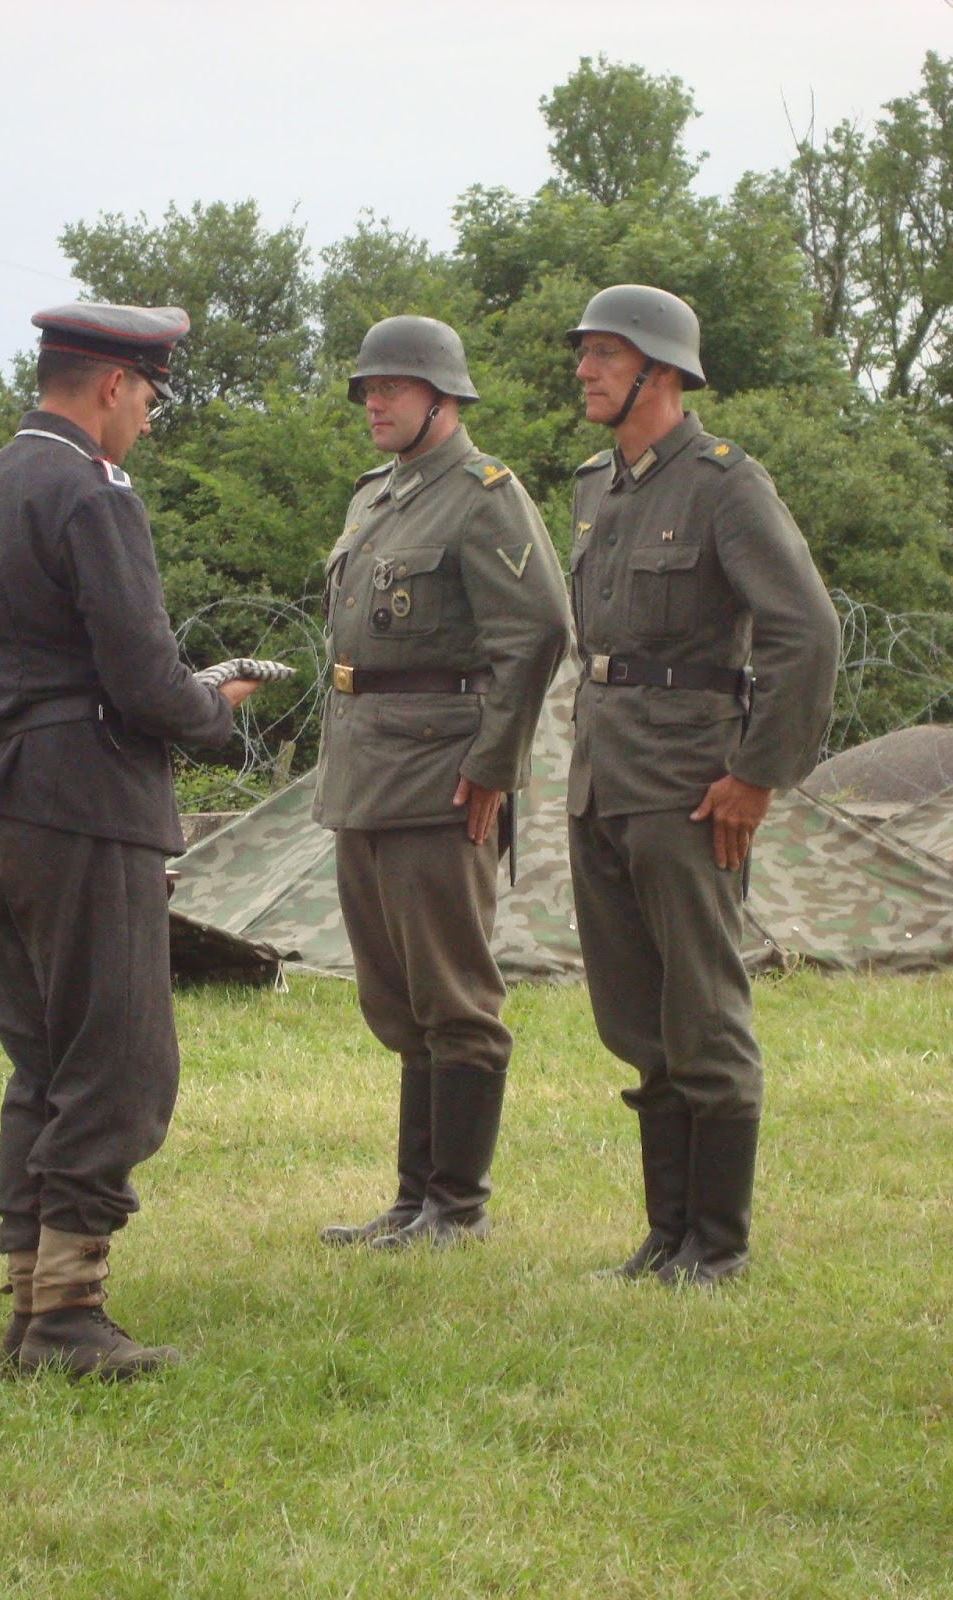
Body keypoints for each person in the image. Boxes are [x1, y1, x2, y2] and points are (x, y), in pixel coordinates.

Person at [0, 303, 260, 1380]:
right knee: (117, 1065)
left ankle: (31, 1308)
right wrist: (223, 710)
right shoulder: (90, 491)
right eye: (151, 400)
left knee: (42, 1063)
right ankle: (68, 1317)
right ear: (112, 384)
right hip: (82, 811)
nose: (148, 424)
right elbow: (143, 678)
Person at [564, 284, 841, 1286]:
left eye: (605, 354)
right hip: (603, 779)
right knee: (636, 1014)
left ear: (662, 371)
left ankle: (716, 1247)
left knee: (704, 1012)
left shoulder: (726, 484)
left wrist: (758, 774)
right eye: (585, 354)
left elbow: (808, 633)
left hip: (692, 785)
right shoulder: (598, 485)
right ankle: (666, 1234)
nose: (585, 370)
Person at [313, 315, 571, 1249]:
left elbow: (537, 631)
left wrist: (492, 766)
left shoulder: (482, 495)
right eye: (367, 388)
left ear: (442, 396)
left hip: (442, 780)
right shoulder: (376, 497)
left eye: (391, 386)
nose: (373, 401)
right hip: (365, 774)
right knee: (397, 997)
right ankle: (413, 1200)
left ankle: (456, 1208)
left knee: (455, 997)